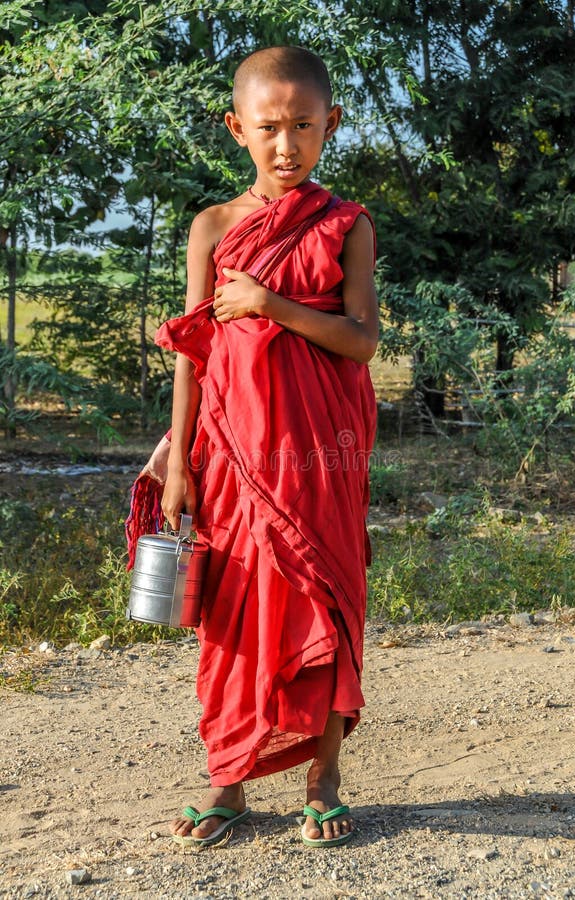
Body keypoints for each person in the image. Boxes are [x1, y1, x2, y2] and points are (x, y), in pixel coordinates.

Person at [126, 45, 378, 849]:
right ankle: (228, 784)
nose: (286, 145)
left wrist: (272, 302)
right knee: (234, 618)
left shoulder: (347, 225)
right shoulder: (212, 228)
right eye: (269, 128)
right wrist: (178, 460)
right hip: (234, 460)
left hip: (321, 460)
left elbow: (363, 341)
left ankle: (324, 780)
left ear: (329, 124)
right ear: (238, 128)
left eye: (304, 126)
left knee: (323, 610)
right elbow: (191, 354)